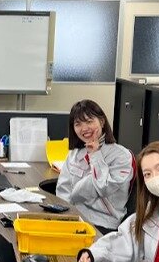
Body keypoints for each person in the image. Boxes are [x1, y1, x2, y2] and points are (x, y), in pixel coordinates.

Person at [56, 99, 134, 235]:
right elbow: (63, 190)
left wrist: (95, 154)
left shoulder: (121, 156)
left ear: (102, 122)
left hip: (103, 223)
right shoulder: (75, 154)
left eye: (89, 121)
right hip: (74, 217)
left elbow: (103, 188)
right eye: (78, 124)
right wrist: (65, 216)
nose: (84, 128)